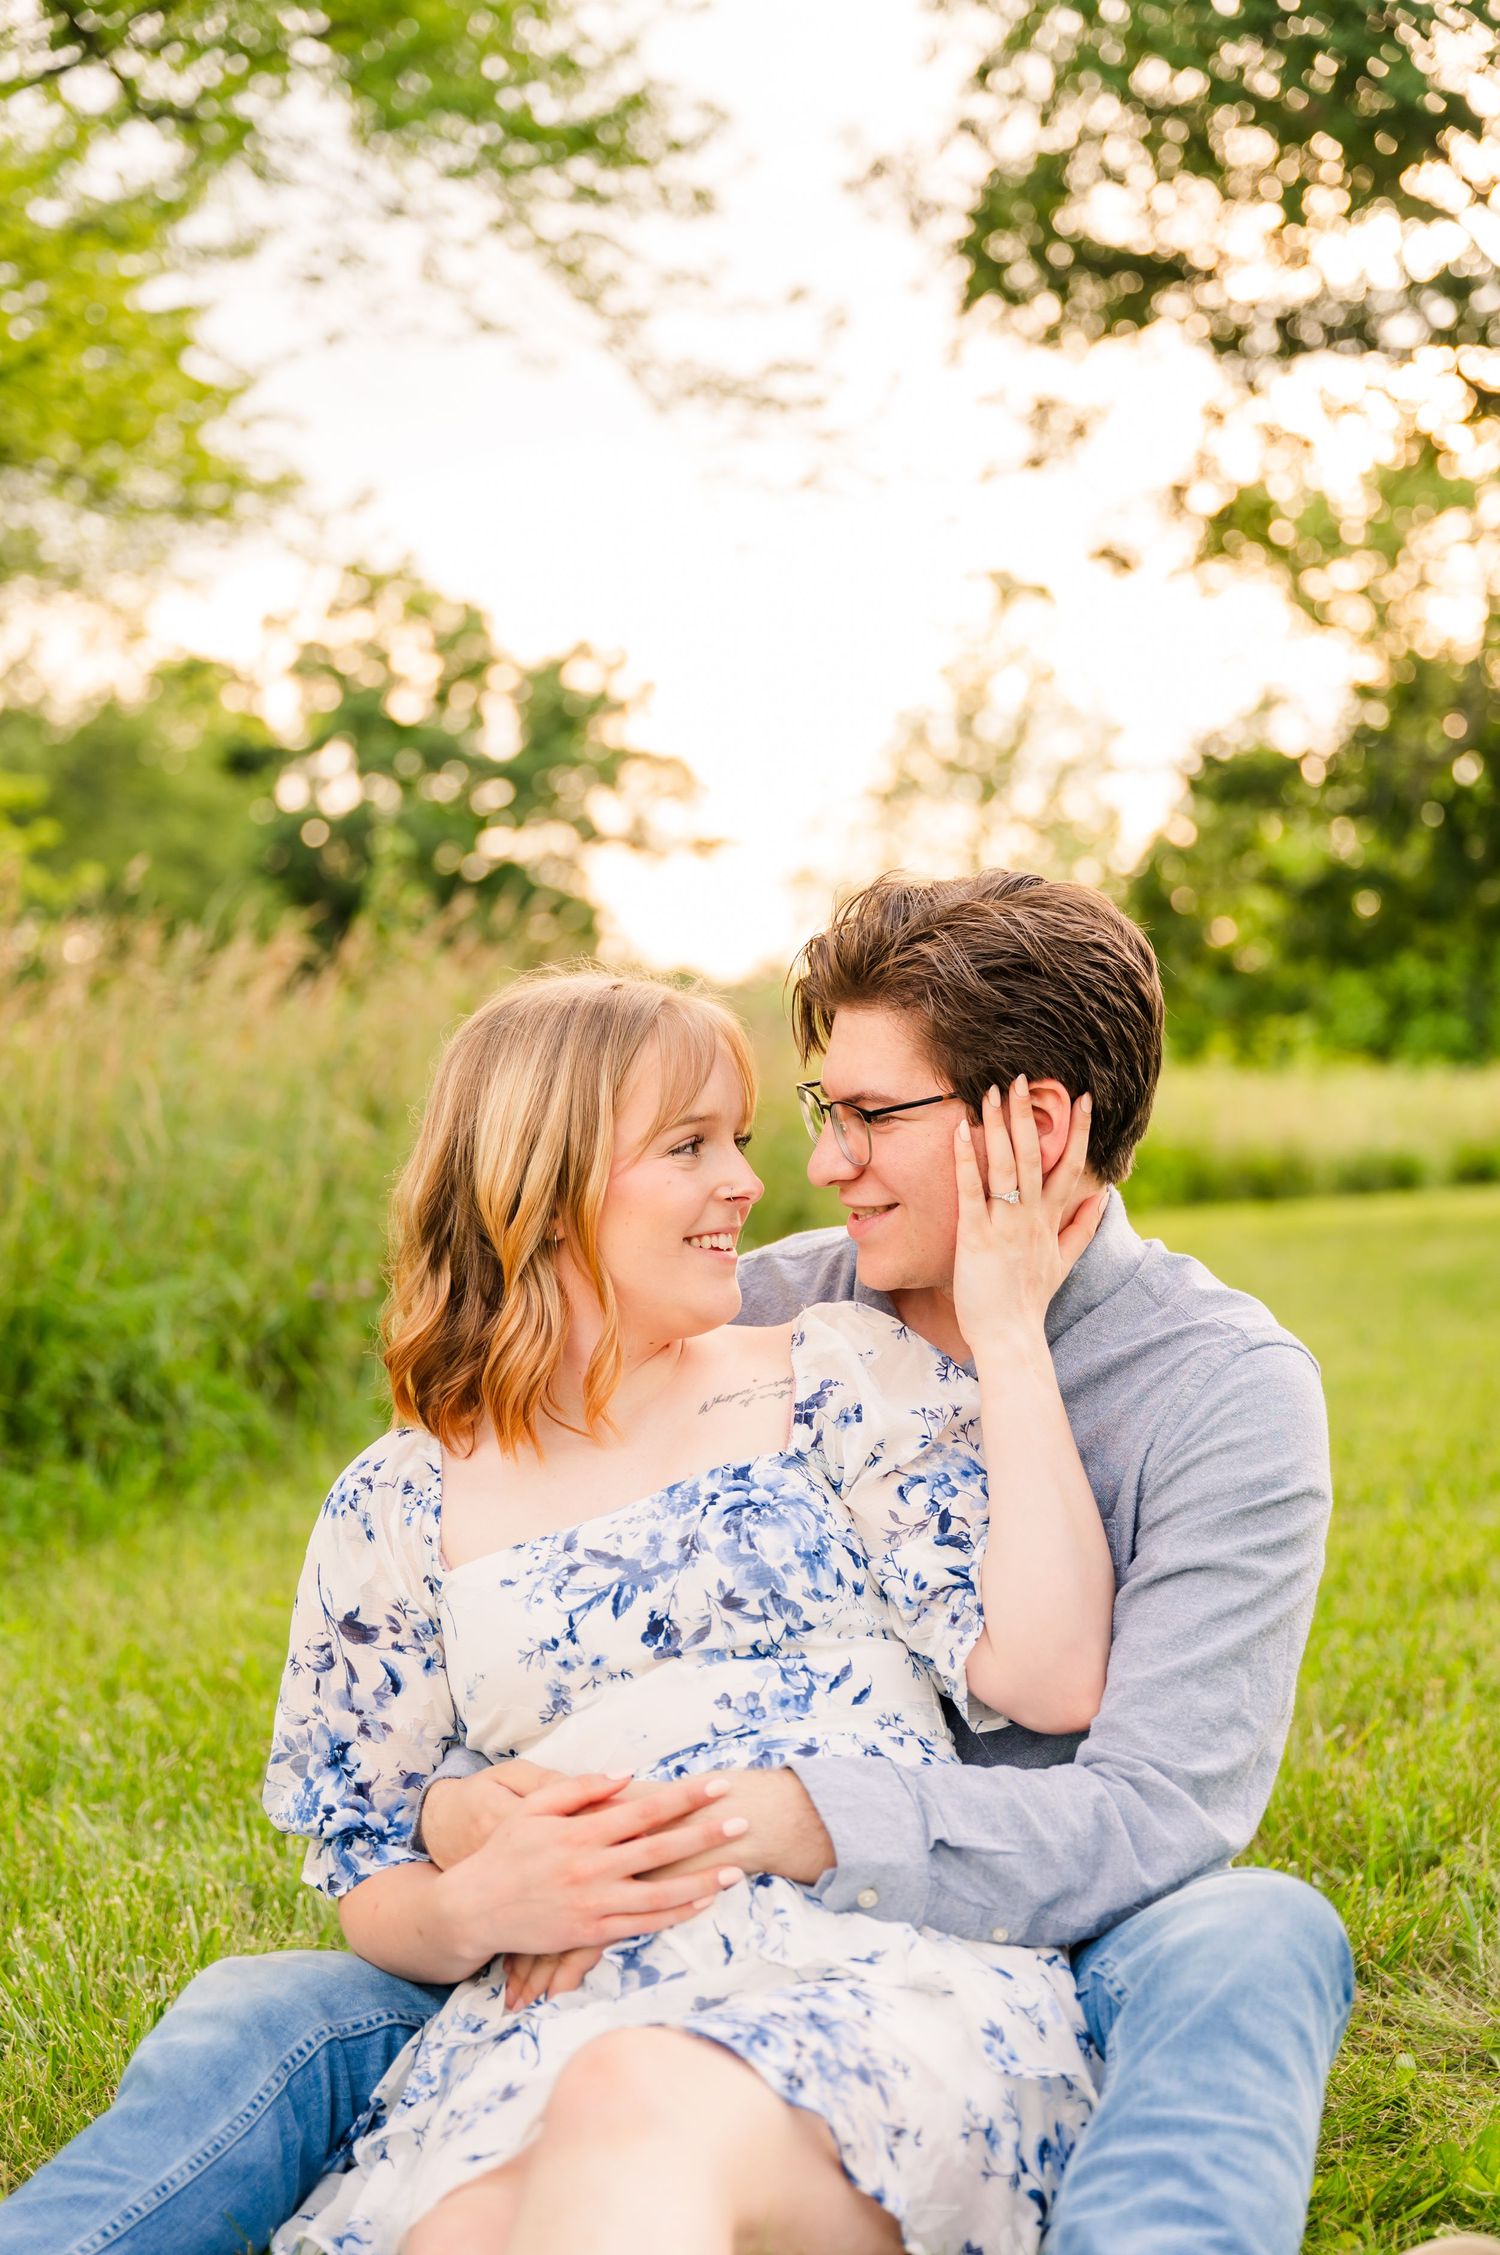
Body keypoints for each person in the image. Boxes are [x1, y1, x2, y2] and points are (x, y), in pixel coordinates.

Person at [0, 871, 1354, 2255]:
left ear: (1038, 1126)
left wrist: (780, 1818)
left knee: (1250, 1934)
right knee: (271, 2024)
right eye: (810, 1116)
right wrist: (466, 1829)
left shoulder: (1218, 1391)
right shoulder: (755, 1307)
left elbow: (1144, 1814)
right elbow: (507, 1554)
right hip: (601, 1938)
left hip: (987, 1939)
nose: (805, 1172)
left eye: (866, 1116)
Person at [260, 963, 1113, 2253]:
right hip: (550, 2017)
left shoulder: (835, 1375)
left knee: (639, 2099)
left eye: (741, 1140)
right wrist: (481, 1909)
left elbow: (1049, 1678)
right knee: (457, 2233)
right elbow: (369, 1860)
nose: (751, 1184)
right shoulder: (394, 1505)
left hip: (865, 1970)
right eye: (690, 1146)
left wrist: (1006, 1335)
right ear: (537, 1190)